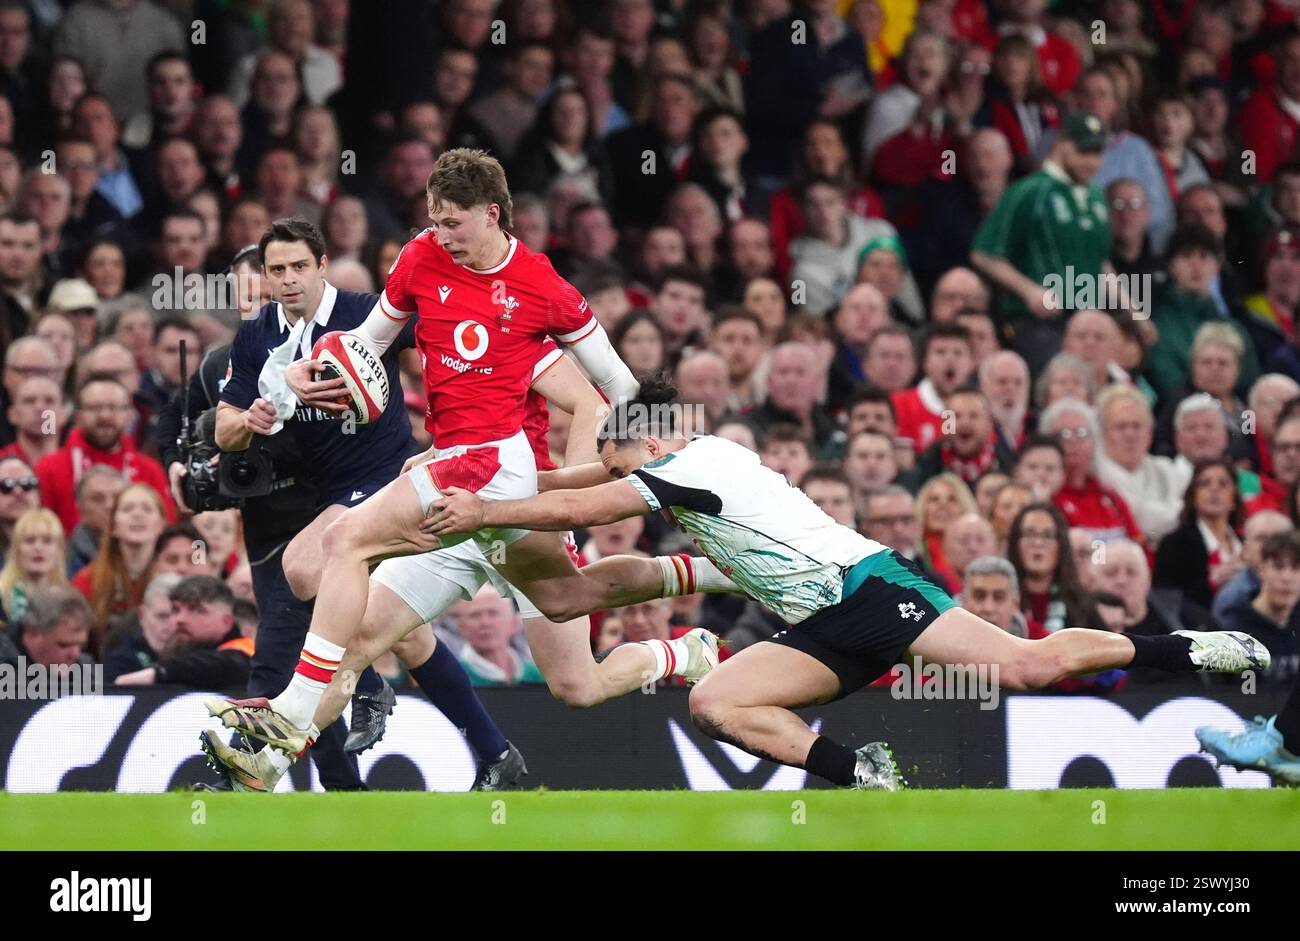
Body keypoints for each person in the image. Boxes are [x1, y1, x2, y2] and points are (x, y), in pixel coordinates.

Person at [422, 378, 1271, 789]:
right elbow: (581, 486)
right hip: (821, 623)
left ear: (645, 437)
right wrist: (500, 490)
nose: (610, 464)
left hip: (868, 587)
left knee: (1030, 665)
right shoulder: (676, 466)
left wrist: (483, 510)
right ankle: (864, 774)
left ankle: (1197, 646)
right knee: (718, 703)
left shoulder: (693, 460)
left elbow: (599, 493)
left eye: (617, 448)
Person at [204, 150, 732, 761]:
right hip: (452, 472)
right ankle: (258, 765)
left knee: (346, 542)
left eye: (453, 222)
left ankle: (290, 709)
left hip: (501, 474)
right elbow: (367, 344)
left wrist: (658, 469)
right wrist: (313, 371)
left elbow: (614, 386)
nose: (440, 234)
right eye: (433, 219)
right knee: (553, 670)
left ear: (493, 214)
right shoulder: (421, 259)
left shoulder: (540, 291)